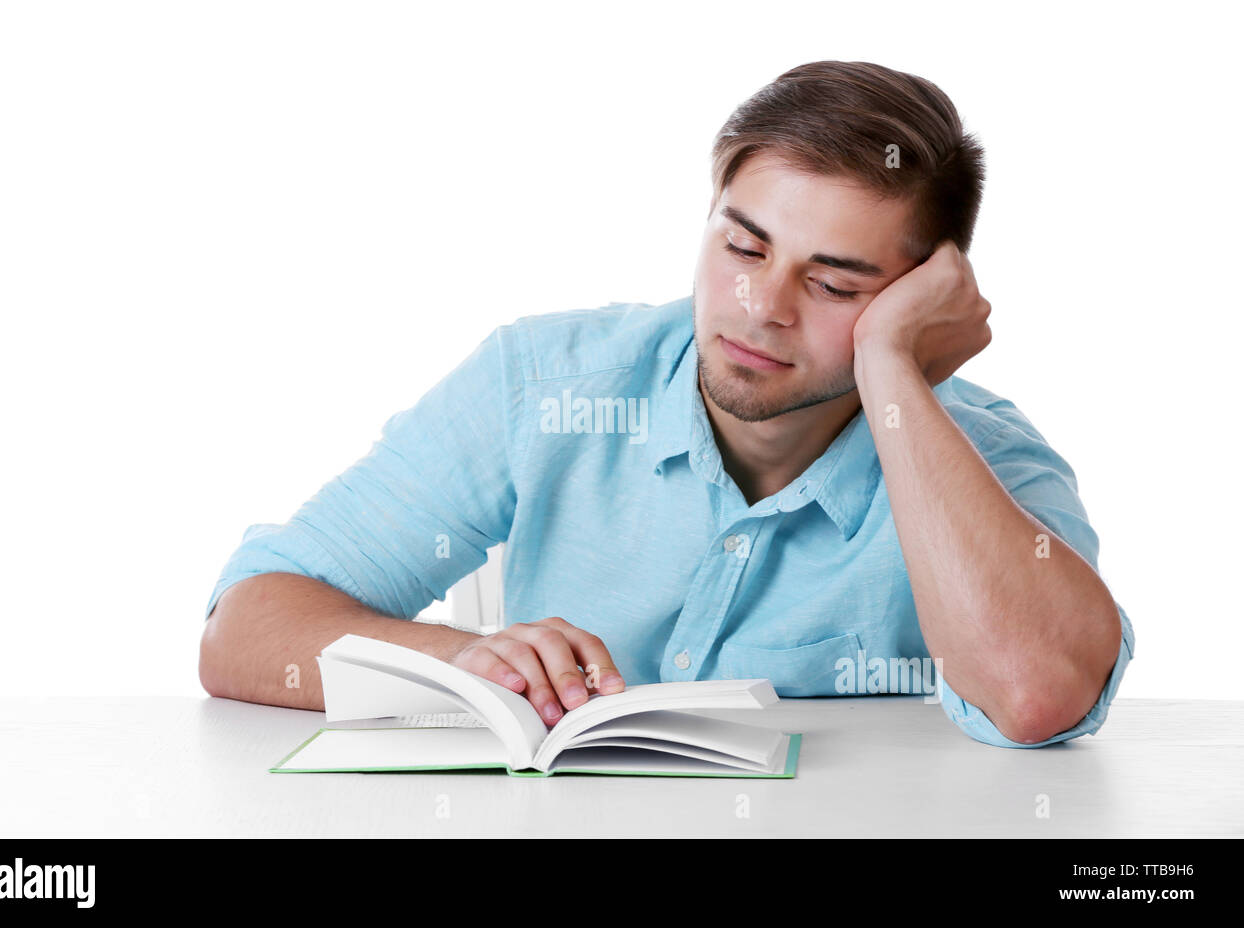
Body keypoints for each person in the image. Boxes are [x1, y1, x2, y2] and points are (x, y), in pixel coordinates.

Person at [199, 60, 1133, 748]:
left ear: (919, 299)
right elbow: (243, 629)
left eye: (837, 286)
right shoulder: (547, 382)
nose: (760, 308)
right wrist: (458, 662)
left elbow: (1038, 696)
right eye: (743, 246)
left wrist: (891, 369)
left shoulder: (991, 466)